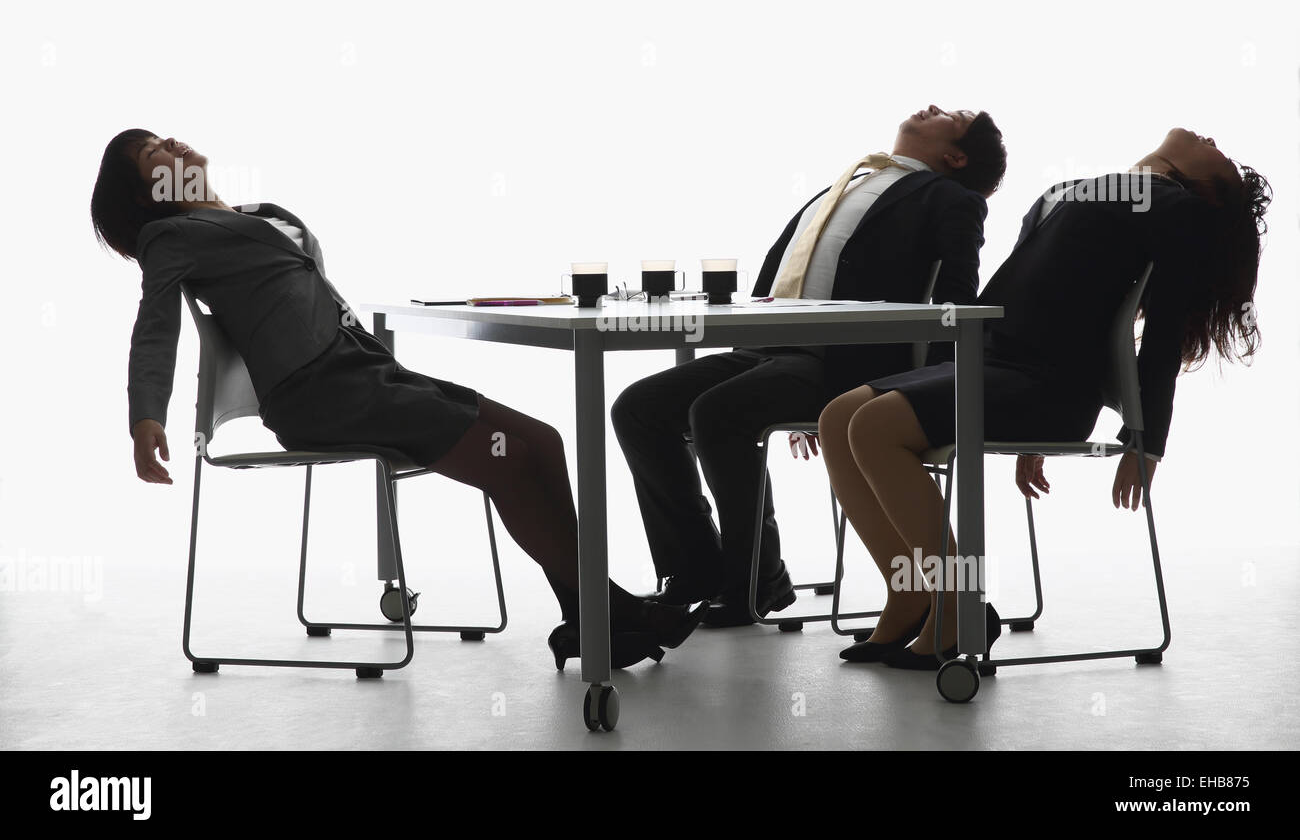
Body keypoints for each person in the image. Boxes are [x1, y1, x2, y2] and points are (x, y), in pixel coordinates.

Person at [92, 128, 707, 670]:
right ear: (147, 195)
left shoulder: (262, 212)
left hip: (367, 371)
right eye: (151, 152)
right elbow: (155, 327)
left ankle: (589, 615)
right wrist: (145, 415)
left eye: (163, 136)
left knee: (542, 441)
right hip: (320, 394)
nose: (170, 143)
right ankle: (611, 612)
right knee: (509, 462)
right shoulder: (171, 236)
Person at [818, 127, 1270, 668]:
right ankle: (910, 594)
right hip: (996, 368)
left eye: (1219, 153)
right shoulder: (1077, 189)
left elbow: (1164, 331)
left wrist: (1146, 440)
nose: (1209, 137)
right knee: (837, 417)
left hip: (1051, 385)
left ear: (1210, 190)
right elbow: (1024, 292)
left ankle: (959, 605)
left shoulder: (1176, 207)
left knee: (874, 428)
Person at [611, 106, 1008, 627]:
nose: (934, 107)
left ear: (955, 157)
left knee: (718, 411)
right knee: (639, 408)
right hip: (771, 349)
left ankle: (756, 577)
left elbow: (956, 304)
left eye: (953, 117)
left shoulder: (950, 198)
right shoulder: (849, 183)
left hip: (845, 363)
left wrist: (917, 395)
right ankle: (694, 573)